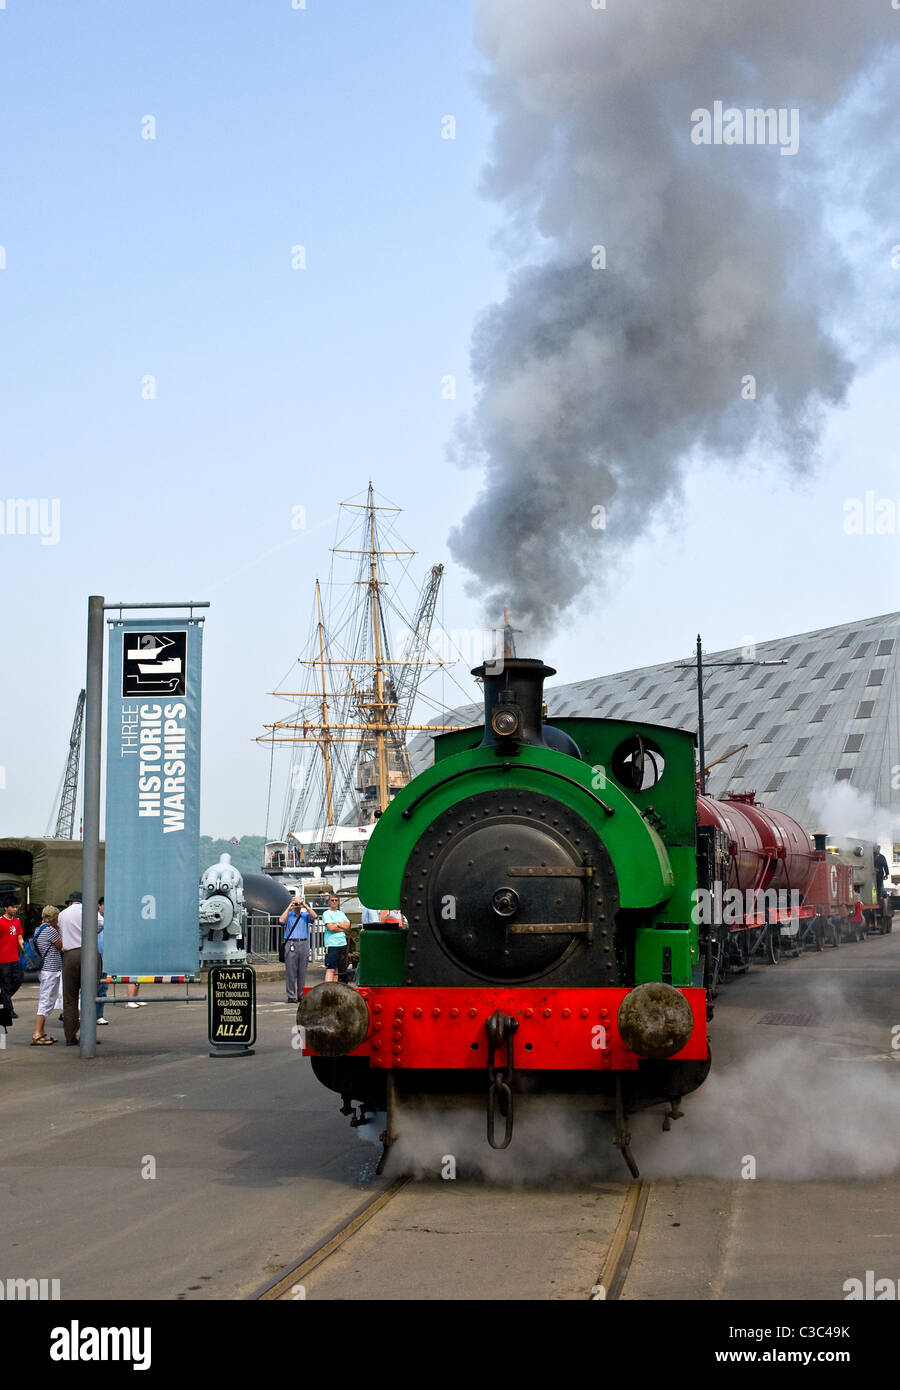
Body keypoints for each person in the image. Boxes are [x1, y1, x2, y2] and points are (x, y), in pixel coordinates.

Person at [57, 890, 104, 1045]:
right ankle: (88, 1035)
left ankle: (70, 1037)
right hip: (89, 953)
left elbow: (61, 933)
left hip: (70, 955)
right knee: (89, 996)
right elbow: (101, 924)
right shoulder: (89, 910)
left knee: (70, 998)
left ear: (71, 902)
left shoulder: (62, 914)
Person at [32, 905, 62, 1044]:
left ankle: (42, 1032)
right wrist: (59, 930)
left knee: (47, 1000)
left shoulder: (38, 929)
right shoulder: (50, 930)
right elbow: (61, 945)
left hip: (45, 969)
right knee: (45, 1001)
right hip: (51, 970)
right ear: (54, 918)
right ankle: (37, 1033)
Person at [279, 893, 316, 1002]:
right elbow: (281, 921)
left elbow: (314, 916)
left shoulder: (305, 915)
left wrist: (306, 906)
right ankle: (291, 995)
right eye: (296, 903)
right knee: (290, 971)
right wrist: (289, 907)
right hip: (291, 943)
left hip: (303, 943)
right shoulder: (289, 915)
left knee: (302, 971)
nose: (297, 905)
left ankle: (300, 994)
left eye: (299, 903)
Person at [0, 899, 24, 1022]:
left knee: (19, 979)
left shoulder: (16, 921)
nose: (15, 909)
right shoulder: (0, 922)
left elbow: (19, 937)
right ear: (6, 908)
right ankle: (9, 1010)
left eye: (16, 907)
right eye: (13, 907)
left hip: (15, 957)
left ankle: (3, 999)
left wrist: (23, 946)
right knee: (6, 985)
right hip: (3, 960)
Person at [322, 894, 350, 984]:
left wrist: (336, 925)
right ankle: (328, 988)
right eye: (332, 900)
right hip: (331, 944)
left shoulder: (341, 913)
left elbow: (347, 925)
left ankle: (335, 988)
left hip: (342, 943)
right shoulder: (326, 913)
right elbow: (330, 928)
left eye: (336, 900)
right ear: (329, 902)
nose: (334, 902)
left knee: (338, 969)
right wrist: (341, 926)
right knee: (331, 969)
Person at [96, 897, 108, 1024]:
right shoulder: (94, 920)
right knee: (89, 988)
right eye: (105, 905)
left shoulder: (112, 921)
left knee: (103, 989)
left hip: (106, 959)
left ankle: (99, 1015)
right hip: (94, 959)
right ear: (99, 906)